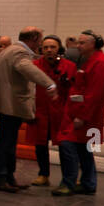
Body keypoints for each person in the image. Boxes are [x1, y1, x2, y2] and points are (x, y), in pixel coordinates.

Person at [0, 27, 56, 193]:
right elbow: (27, 69)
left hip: (5, 104)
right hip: (10, 105)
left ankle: (8, 177)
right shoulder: (19, 53)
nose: (41, 43)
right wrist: (49, 83)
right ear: (33, 38)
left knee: (7, 142)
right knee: (6, 143)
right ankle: (1, 178)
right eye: (40, 39)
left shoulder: (9, 50)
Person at [52, 30, 104, 196]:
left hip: (84, 115)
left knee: (67, 145)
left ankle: (68, 183)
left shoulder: (100, 63)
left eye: (81, 43)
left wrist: (82, 117)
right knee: (83, 149)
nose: (78, 46)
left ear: (93, 44)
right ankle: (88, 183)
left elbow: (95, 94)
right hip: (81, 113)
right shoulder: (90, 61)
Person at [29, 35, 75, 186]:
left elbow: (73, 91)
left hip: (61, 113)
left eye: (52, 47)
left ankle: (67, 177)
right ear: (41, 49)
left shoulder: (69, 66)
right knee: (40, 145)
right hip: (40, 111)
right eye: (46, 47)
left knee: (65, 147)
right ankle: (43, 174)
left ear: (59, 49)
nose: (49, 50)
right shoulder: (34, 65)